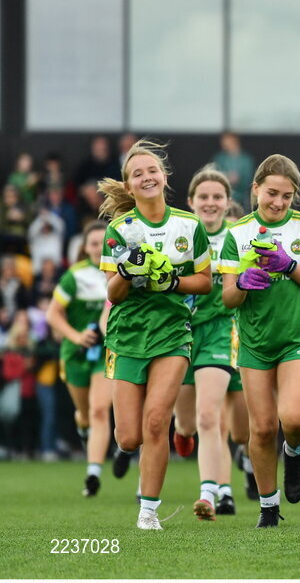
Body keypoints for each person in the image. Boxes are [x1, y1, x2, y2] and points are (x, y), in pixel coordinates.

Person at [97, 139, 213, 530]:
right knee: (129, 437)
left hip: (171, 334)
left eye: (152, 170)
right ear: (128, 187)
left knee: (155, 422)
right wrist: (129, 273)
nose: (146, 177)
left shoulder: (189, 225)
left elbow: (205, 283)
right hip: (128, 335)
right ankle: (129, 456)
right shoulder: (119, 230)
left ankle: (148, 511)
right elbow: (112, 292)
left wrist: (170, 280)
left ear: (164, 177)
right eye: (137, 173)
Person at [220, 154, 300, 528]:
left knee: (297, 418)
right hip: (254, 341)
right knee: (262, 427)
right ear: (255, 189)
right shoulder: (236, 234)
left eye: (287, 196)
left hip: (297, 337)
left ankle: (295, 450)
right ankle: (269, 507)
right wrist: (242, 282)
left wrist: (290, 266)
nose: (278, 202)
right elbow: (228, 298)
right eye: (271, 193)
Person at [172, 165, 249, 520]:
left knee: (209, 415)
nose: (211, 202)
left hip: (221, 330)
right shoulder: (180, 236)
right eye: (203, 197)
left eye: (217, 197)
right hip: (180, 332)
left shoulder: (238, 236)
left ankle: (209, 493)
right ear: (191, 202)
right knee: (186, 422)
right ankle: (181, 433)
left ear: (227, 202)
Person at [45, 222, 111, 497]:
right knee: (85, 414)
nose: (98, 247)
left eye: (103, 242)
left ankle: (93, 473)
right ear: (85, 247)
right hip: (75, 353)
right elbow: (53, 315)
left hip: (106, 352)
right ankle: (83, 430)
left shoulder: (120, 273)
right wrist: (76, 336)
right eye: (93, 243)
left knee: (98, 410)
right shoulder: (75, 276)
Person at [212, 132, 256, 210]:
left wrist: (238, 180)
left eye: (226, 141)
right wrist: (226, 178)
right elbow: (214, 174)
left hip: (242, 197)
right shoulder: (220, 158)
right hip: (223, 195)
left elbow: (249, 178)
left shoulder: (246, 159)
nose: (223, 144)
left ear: (235, 141)